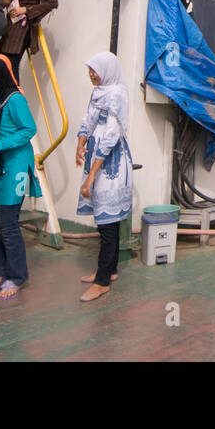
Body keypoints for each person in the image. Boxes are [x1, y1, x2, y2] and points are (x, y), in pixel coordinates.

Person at [0, 55, 41, 300]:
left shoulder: (14, 99)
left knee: (8, 225)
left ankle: (16, 275)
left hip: (14, 166)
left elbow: (29, 129)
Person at [77, 51, 133, 303]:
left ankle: (101, 282)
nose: (91, 74)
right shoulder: (99, 92)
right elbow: (88, 119)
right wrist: (81, 141)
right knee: (104, 221)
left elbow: (110, 136)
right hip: (95, 159)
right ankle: (108, 270)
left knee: (108, 223)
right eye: (90, 69)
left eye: (95, 70)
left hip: (110, 163)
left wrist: (91, 176)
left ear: (107, 70)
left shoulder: (117, 95)